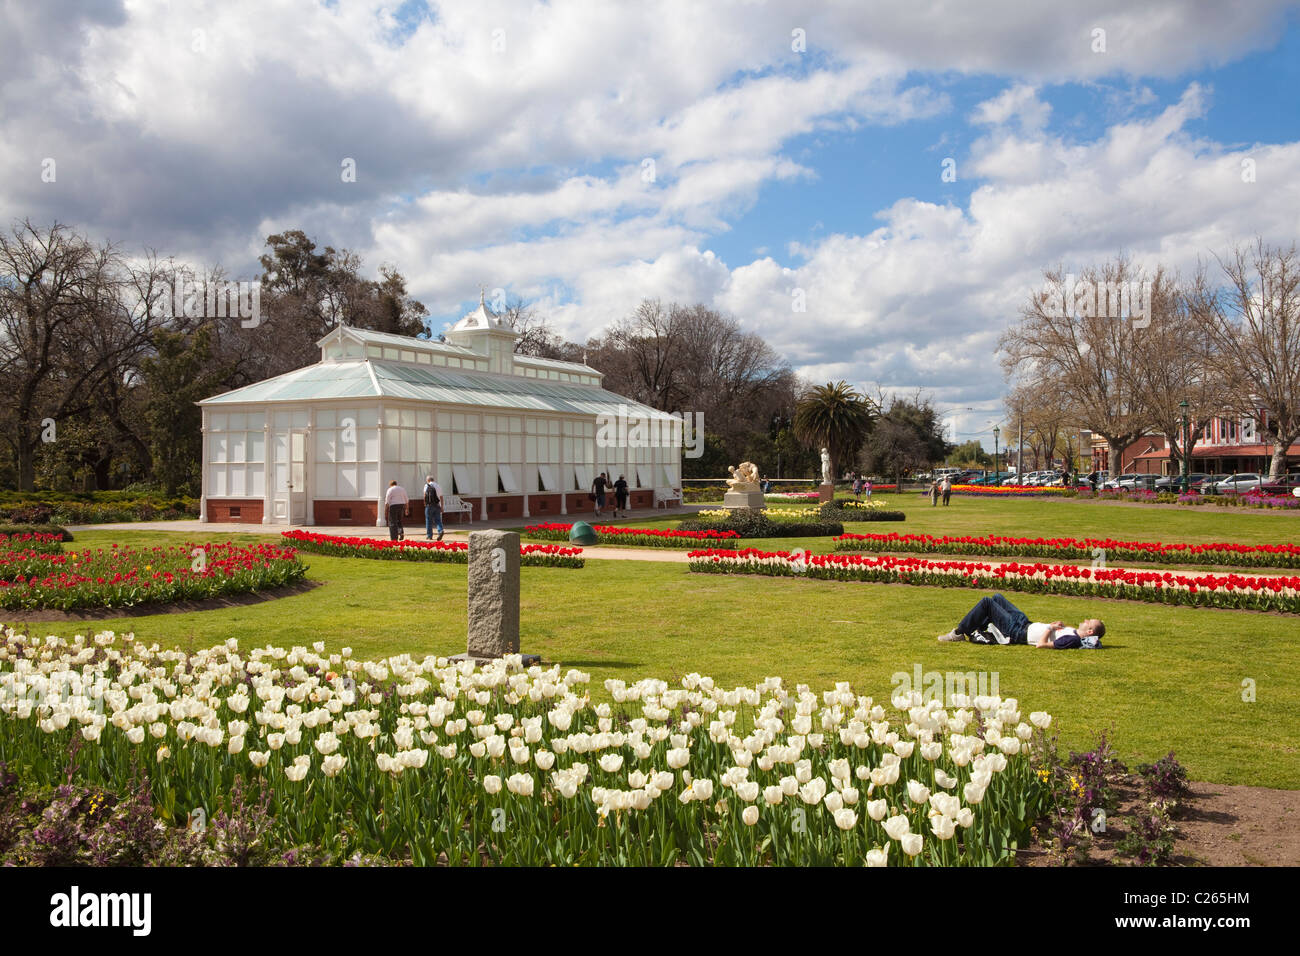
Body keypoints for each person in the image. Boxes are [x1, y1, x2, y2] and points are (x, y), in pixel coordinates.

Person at [937, 593, 1104, 648]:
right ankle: (978, 630)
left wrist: (1050, 628)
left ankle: (959, 632)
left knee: (987, 602)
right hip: (1025, 623)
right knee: (997, 598)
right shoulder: (1074, 633)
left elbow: (1042, 645)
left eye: (1089, 622)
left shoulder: (1073, 639)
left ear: (1089, 632)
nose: (1085, 619)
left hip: (1019, 632)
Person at [423, 475, 444, 541]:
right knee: (438, 519)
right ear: (433, 479)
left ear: (428, 480)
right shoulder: (438, 486)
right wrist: (442, 506)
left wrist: (425, 503)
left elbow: (425, 495)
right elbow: (441, 497)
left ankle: (429, 536)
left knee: (428, 520)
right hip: (437, 505)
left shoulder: (426, 485)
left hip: (429, 505)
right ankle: (440, 531)